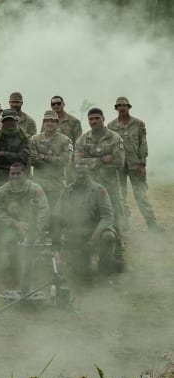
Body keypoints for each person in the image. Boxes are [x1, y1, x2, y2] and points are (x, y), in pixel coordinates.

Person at [75, 107, 127, 269]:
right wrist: (102, 160)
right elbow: (78, 164)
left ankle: (117, 256)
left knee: (115, 220)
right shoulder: (82, 140)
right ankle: (85, 256)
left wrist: (90, 160)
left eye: (97, 118)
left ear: (103, 118)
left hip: (110, 187)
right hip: (88, 190)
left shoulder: (114, 138)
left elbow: (119, 163)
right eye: (91, 119)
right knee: (86, 221)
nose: (94, 121)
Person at [52, 162, 117, 277]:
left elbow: (107, 217)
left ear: (89, 174)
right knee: (82, 275)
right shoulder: (66, 191)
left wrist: (94, 238)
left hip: (95, 234)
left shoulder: (99, 190)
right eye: (78, 173)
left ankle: (104, 275)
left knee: (109, 237)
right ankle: (86, 266)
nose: (81, 176)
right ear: (73, 174)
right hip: (76, 236)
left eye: (84, 173)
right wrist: (56, 245)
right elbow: (57, 216)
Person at [108, 96, 160, 231]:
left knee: (141, 195)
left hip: (135, 164)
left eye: (124, 105)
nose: (122, 108)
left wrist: (143, 163)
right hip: (118, 166)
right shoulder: (111, 126)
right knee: (120, 196)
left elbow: (143, 144)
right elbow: (109, 145)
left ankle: (152, 224)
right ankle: (124, 225)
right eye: (119, 106)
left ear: (129, 107)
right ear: (116, 108)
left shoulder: (139, 124)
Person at [0, 163, 49, 276]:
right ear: (9, 174)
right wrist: (15, 224)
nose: (15, 176)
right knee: (8, 240)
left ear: (25, 174)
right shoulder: (3, 191)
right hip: (12, 226)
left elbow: (44, 210)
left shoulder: (35, 189)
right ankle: (12, 270)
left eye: (18, 173)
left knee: (33, 245)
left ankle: (34, 271)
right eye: (13, 173)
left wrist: (34, 228)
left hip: (33, 227)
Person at [28, 110, 73, 203]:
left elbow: (65, 161)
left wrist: (44, 157)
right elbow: (31, 160)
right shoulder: (35, 139)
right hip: (38, 186)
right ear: (43, 123)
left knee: (56, 215)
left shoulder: (65, 140)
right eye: (47, 121)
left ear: (57, 123)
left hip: (57, 186)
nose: (49, 123)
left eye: (53, 121)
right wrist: (54, 161)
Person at [0, 110, 30, 192]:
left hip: (19, 179)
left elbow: (24, 158)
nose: (9, 123)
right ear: (2, 122)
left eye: (11, 120)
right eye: (6, 121)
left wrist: (5, 154)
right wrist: (15, 157)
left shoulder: (23, 137)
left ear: (17, 121)